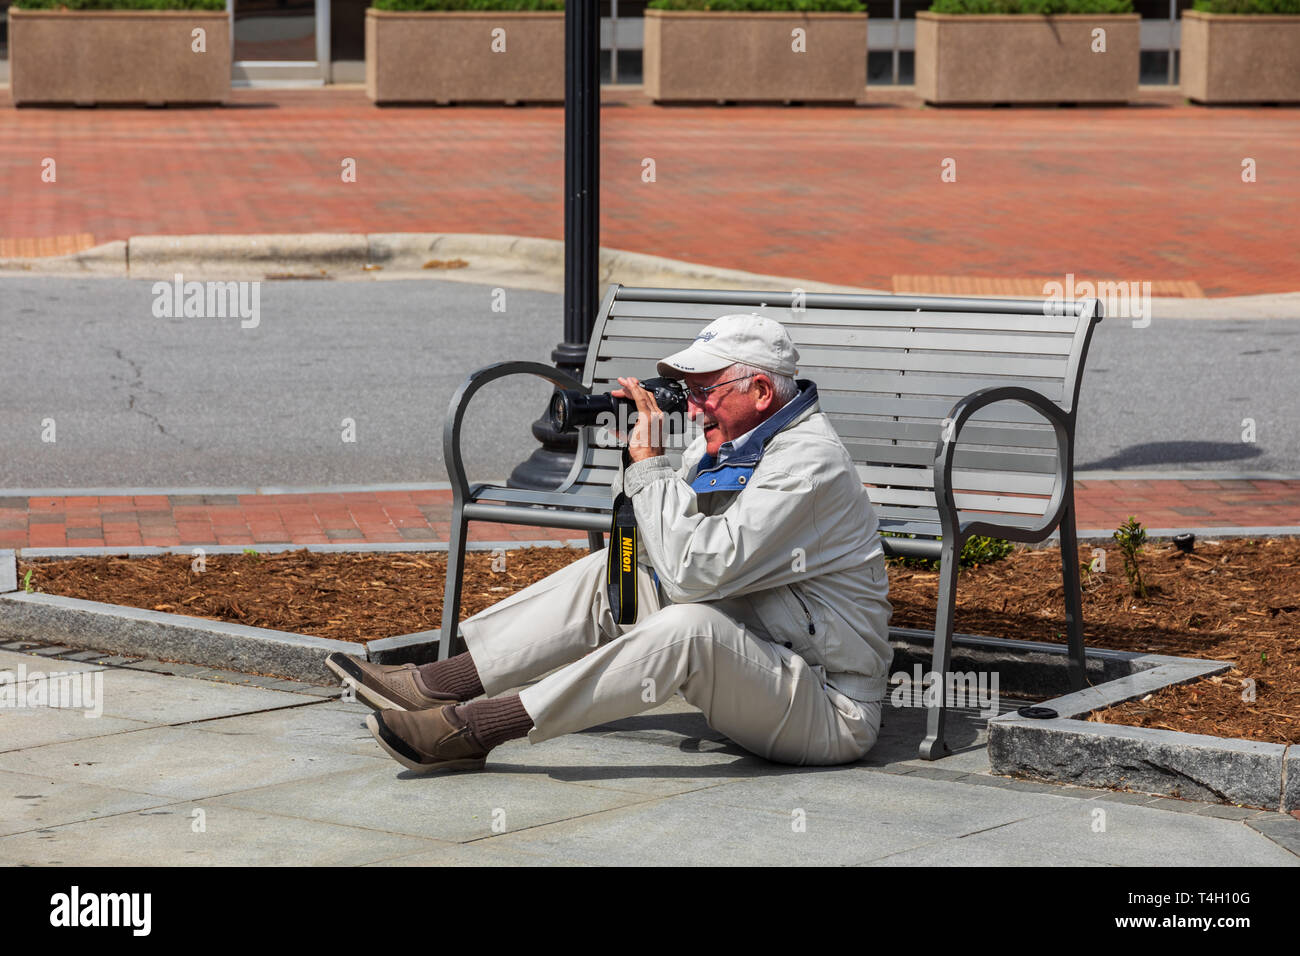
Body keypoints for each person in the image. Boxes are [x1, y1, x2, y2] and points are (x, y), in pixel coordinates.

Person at [327, 313, 893, 773]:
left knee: (686, 627)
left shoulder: (809, 465)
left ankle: (475, 730)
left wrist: (650, 468)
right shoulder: (724, 445)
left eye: (703, 392)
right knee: (612, 574)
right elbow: (657, 557)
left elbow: (694, 575)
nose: (690, 408)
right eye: (686, 392)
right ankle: (433, 686)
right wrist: (638, 464)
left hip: (825, 708)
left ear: (762, 390)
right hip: (759, 661)